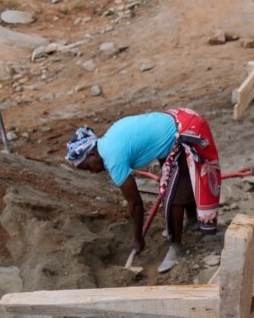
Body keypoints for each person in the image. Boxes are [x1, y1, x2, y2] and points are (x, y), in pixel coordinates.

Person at [66, 108, 221, 273]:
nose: (92, 171)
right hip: (181, 120)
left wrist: (138, 238)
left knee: (172, 195)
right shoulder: (108, 139)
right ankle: (192, 220)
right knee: (177, 180)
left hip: (185, 131)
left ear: (92, 154)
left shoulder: (113, 159)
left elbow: (135, 204)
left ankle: (175, 248)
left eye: (88, 167)